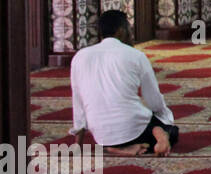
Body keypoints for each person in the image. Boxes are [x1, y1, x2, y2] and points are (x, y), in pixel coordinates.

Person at [70, 10, 179, 156]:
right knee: (172, 131)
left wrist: (78, 144)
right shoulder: (136, 56)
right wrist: (165, 120)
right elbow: (153, 100)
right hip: (134, 129)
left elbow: (78, 102)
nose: (132, 35)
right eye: (130, 30)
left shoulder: (80, 56)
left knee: (143, 123)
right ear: (121, 31)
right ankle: (159, 135)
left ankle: (113, 147)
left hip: (101, 134)